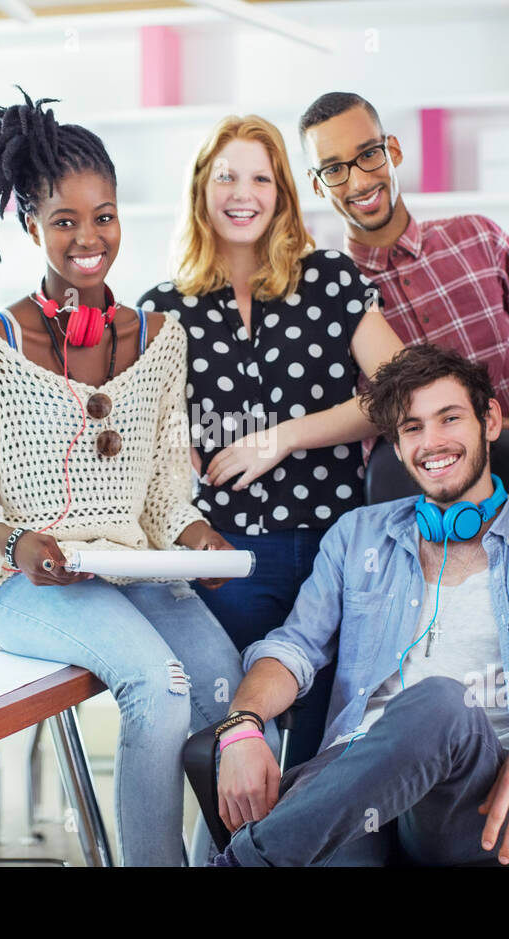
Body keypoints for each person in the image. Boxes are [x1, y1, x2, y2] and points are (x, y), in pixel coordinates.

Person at [0, 89, 252, 866]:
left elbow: (159, 490)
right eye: (65, 221)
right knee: (161, 685)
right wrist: (16, 543)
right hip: (28, 584)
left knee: (230, 690)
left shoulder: (159, 339)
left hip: (133, 568)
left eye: (103, 216)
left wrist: (191, 534)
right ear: (29, 225)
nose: (88, 238)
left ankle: (234, 859)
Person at [210, 344, 509, 866]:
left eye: (449, 418)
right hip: (357, 780)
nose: (431, 442)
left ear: (490, 421)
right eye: (412, 428)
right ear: (396, 442)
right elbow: (293, 648)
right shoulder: (356, 535)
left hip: (484, 790)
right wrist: (243, 722)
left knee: (439, 702)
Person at [138, 115, 403, 766]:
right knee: (229, 740)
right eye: (226, 175)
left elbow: (401, 392)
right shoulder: (161, 310)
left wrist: (282, 438)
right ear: (201, 189)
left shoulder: (331, 280)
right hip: (224, 559)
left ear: (282, 192)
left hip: (335, 547)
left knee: (322, 749)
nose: (243, 192)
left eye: (260, 176)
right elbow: (145, 437)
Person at [299, 91, 509, 420]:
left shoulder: (480, 237)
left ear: (394, 150)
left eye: (369, 154)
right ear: (317, 186)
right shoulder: (329, 299)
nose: (360, 182)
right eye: (333, 170)